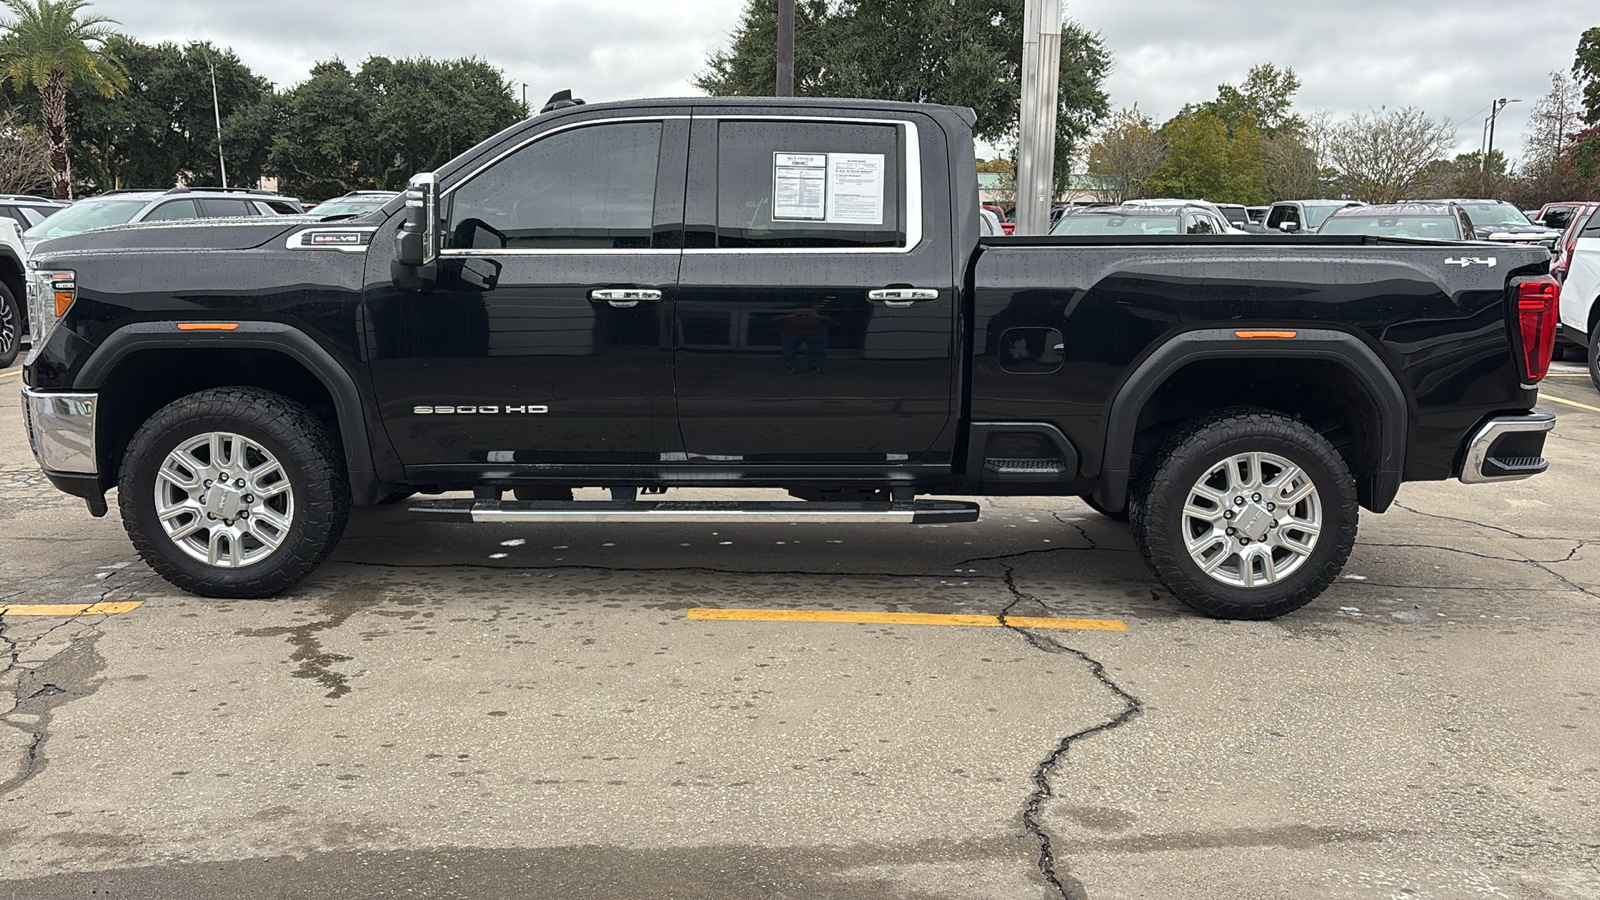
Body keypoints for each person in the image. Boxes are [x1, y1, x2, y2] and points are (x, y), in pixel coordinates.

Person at [772, 304, 836, 372]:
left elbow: (833, 322)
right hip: (791, 334)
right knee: (789, 351)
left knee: (817, 351)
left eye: (805, 310)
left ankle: (815, 366)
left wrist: (819, 317)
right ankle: (790, 365)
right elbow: (772, 321)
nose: (803, 311)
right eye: (800, 310)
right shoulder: (787, 317)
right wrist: (786, 317)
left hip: (816, 334)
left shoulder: (819, 317)